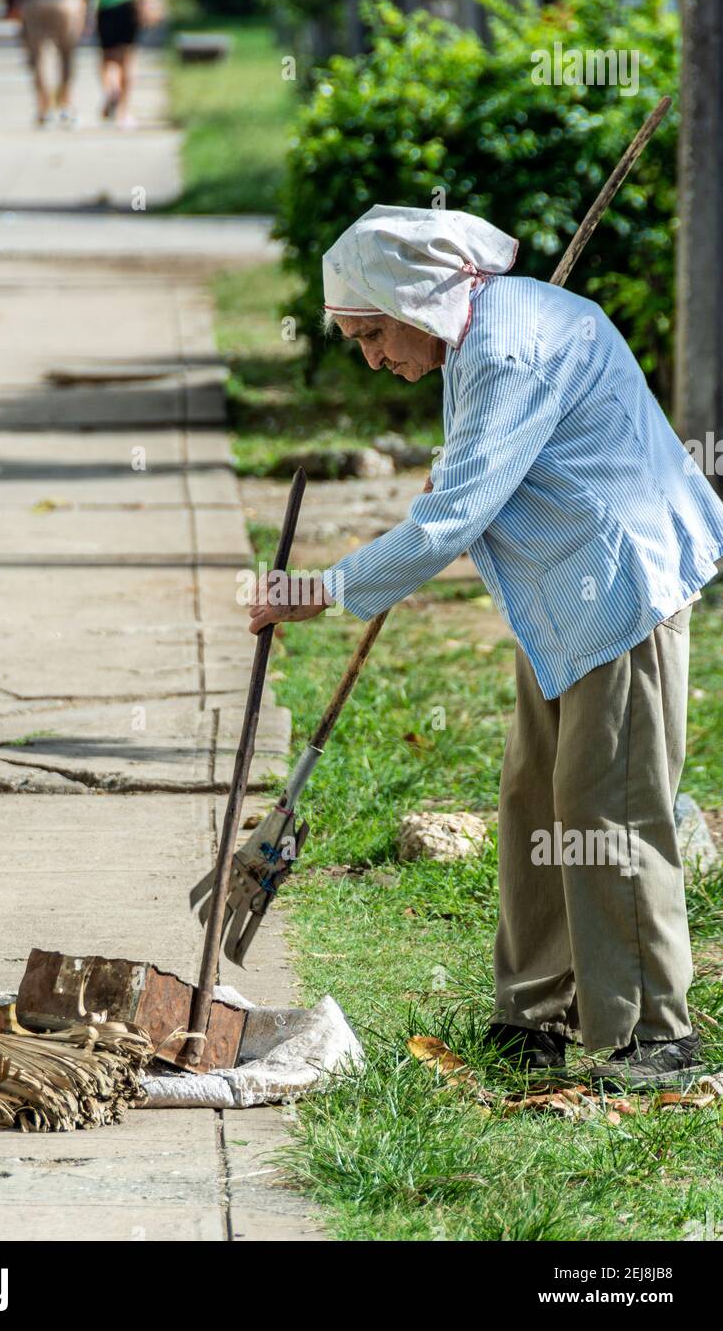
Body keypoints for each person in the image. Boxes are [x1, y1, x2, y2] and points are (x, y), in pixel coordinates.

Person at [248, 205, 723, 1093]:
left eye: (372, 333)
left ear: (415, 301)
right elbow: (477, 471)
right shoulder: (473, 338)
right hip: (559, 594)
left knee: (605, 806)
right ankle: (536, 1012)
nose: (373, 358)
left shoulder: (507, 344)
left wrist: (317, 590)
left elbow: (449, 523)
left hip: (621, 581)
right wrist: (464, 458)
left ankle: (653, 1032)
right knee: (533, 797)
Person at [8, 0, 86, 127]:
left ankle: (45, 108)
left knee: (39, 56)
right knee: (67, 54)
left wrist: (11, 2)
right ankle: (66, 103)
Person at [87, 0, 157, 129]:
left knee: (107, 59)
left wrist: (86, 17)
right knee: (127, 59)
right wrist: (147, 3)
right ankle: (123, 111)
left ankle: (112, 89)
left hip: (105, 9)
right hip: (126, 5)